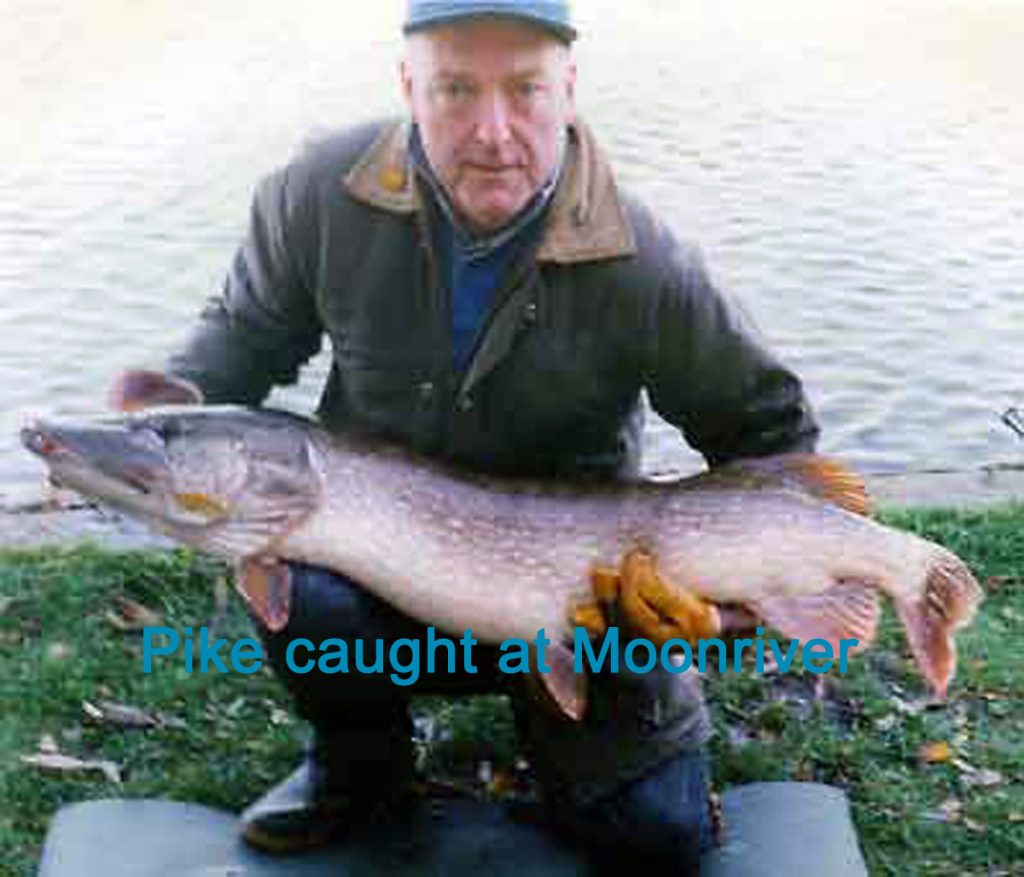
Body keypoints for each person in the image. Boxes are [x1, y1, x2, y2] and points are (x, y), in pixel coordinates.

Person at [110, 0, 819, 871]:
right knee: (304, 582)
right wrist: (173, 405)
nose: (493, 131)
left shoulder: (649, 261)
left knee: (656, 839)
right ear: (408, 85)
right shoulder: (316, 195)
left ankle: (570, 734)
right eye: (454, 89)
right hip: (382, 583)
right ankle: (361, 764)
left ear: (569, 89)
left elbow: (774, 443)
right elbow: (242, 340)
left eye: (524, 90)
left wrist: (727, 606)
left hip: (590, 606)